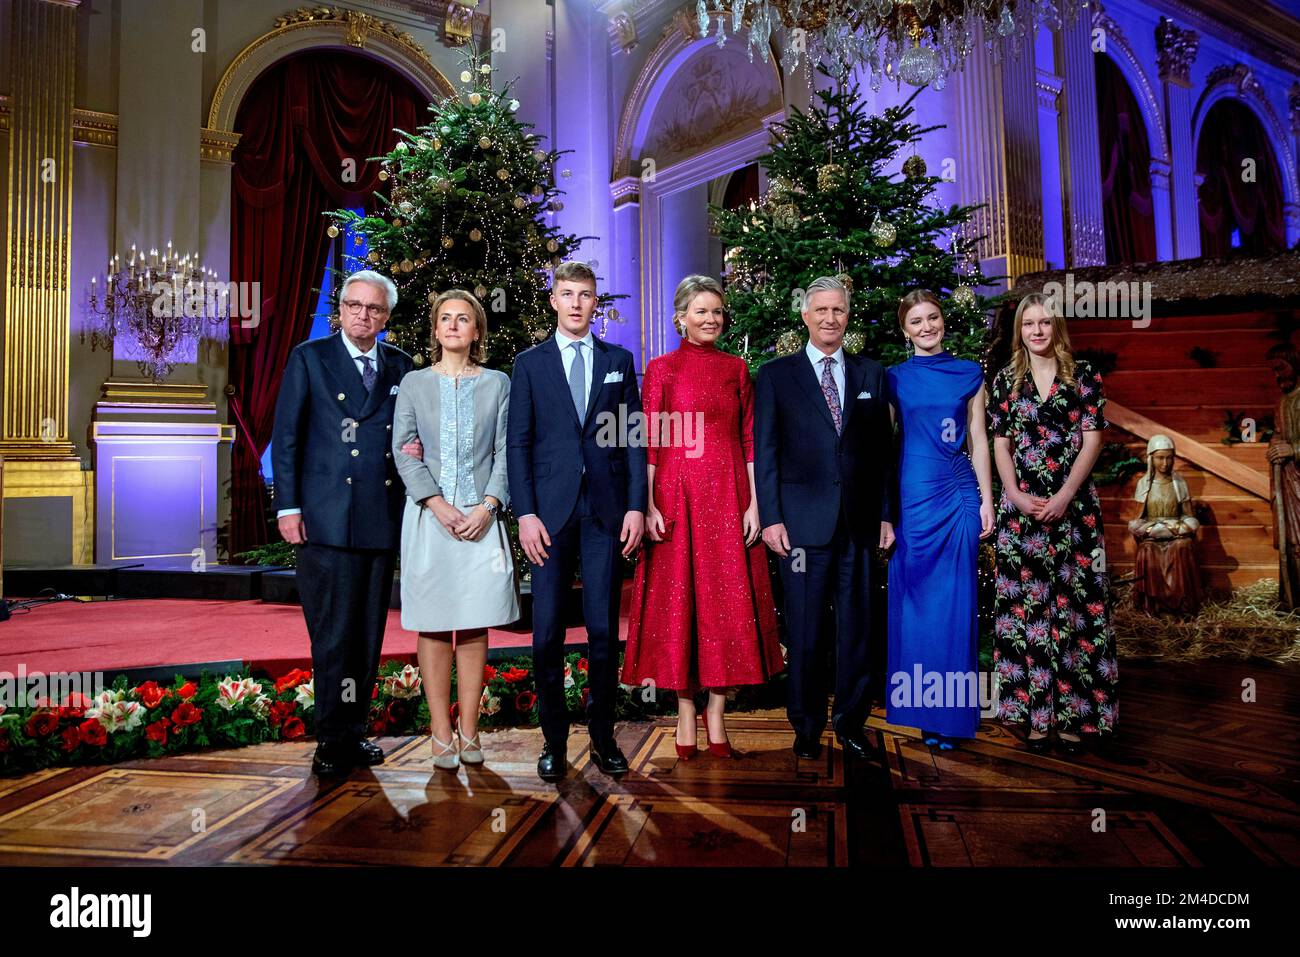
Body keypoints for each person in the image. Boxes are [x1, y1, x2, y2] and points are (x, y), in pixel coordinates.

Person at [621, 275, 783, 760]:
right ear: (680, 318)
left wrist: (755, 504)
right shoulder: (661, 370)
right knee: (681, 606)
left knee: (724, 606)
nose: (710, 319)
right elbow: (650, 442)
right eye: (701, 312)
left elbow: (751, 440)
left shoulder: (737, 369)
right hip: (676, 499)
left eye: (716, 312)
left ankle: (717, 714)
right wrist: (648, 503)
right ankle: (685, 716)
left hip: (729, 496)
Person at [506, 261, 647, 782]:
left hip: (606, 515)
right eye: (566, 294)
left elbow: (632, 437)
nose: (575, 303)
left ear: (595, 303)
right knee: (545, 634)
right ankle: (554, 741)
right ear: (553, 301)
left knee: (605, 632)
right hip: (548, 517)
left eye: (584, 295)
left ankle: (605, 738)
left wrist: (635, 504)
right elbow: (517, 444)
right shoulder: (530, 363)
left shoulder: (619, 359)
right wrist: (524, 514)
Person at [272, 269, 413, 776]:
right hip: (324, 520)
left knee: (368, 635)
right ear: (341, 308)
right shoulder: (310, 358)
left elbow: (411, 434)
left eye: (374, 309)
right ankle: (330, 741)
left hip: (380, 519)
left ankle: (354, 734)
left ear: (386, 317)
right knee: (333, 636)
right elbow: (286, 437)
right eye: (354, 305)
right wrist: (287, 507)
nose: (363, 315)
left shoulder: (401, 365)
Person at [754, 275, 896, 763]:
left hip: (857, 526)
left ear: (847, 315)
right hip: (799, 529)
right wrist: (771, 517)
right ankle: (807, 726)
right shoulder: (775, 376)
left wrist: (883, 514)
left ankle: (852, 723)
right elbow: (765, 452)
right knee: (807, 632)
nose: (830, 318)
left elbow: (881, 453)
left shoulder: (871, 374)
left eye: (838, 310)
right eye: (821, 311)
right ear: (805, 315)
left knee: (856, 630)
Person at [988, 292, 1119, 755]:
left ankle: (1075, 717)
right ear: (1019, 331)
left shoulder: (1083, 376)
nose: (1037, 331)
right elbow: (999, 444)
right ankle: (1035, 717)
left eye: (1045, 323)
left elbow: (1092, 440)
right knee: (1028, 611)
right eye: (1029, 324)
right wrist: (1016, 495)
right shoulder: (1006, 380)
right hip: (1021, 514)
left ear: (1057, 328)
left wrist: (1064, 495)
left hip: (1073, 512)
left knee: (1074, 609)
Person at [392, 290, 518, 770]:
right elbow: (405, 448)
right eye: (445, 318)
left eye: (462, 318)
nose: (453, 325)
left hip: (481, 519)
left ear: (476, 331)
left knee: (473, 618)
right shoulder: (414, 384)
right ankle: (439, 733)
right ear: (435, 328)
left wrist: (489, 505)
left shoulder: (497, 383)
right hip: (431, 518)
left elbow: (506, 451)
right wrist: (437, 504)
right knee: (433, 620)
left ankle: (469, 730)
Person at [885, 290, 994, 750]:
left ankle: (951, 718)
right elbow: (885, 445)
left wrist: (987, 499)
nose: (926, 327)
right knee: (914, 608)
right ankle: (921, 712)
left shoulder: (970, 373)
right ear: (904, 330)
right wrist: (884, 512)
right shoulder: (893, 378)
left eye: (932, 318)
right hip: (912, 499)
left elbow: (979, 439)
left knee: (954, 608)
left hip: (957, 496)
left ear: (944, 321)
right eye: (916, 321)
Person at [1128, 434, 1202, 615]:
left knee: (1182, 547)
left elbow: (1188, 516)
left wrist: (1179, 527)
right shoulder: (1144, 485)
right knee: (1147, 550)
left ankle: (1182, 607)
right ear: (1151, 458)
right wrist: (1151, 529)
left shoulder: (1179, 483)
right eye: (1160, 458)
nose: (1165, 463)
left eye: (1170, 458)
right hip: (1152, 537)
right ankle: (1153, 607)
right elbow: (1137, 519)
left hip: (1176, 534)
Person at [1266, 341, 1300, 609]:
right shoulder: (1283, 402)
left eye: (1281, 368)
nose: (1278, 375)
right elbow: (1279, 434)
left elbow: (1291, 443)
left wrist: (1293, 449)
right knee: (1290, 539)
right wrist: (1275, 446)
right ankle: (1291, 598)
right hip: (1288, 480)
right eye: (1274, 370)